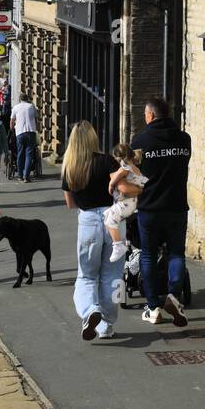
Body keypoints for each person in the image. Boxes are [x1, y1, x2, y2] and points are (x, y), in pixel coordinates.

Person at [61, 121, 140, 341]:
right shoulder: (106, 160)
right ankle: (106, 325)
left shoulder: (69, 166)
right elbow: (123, 188)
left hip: (87, 221)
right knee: (113, 275)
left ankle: (89, 311)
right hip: (113, 219)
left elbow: (70, 203)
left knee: (86, 275)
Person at [130, 97, 191, 327]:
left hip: (150, 208)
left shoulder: (141, 141)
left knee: (148, 254)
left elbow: (134, 175)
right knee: (176, 253)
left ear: (151, 116)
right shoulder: (184, 140)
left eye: (145, 115)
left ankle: (153, 307)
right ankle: (174, 296)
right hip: (176, 206)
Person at [103, 145, 146, 261]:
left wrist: (111, 185)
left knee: (110, 221)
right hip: (132, 202)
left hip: (126, 203)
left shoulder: (124, 168)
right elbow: (144, 181)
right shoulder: (135, 168)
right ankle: (120, 243)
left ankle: (117, 245)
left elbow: (116, 178)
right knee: (107, 215)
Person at [10, 93, 39, 182]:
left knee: (20, 153)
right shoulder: (31, 106)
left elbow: (12, 121)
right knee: (29, 154)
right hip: (31, 131)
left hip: (20, 132)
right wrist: (36, 128)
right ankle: (26, 176)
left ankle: (20, 175)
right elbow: (36, 119)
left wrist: (12, 131)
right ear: (27, 99)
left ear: (19, 99)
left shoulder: (15, 107)